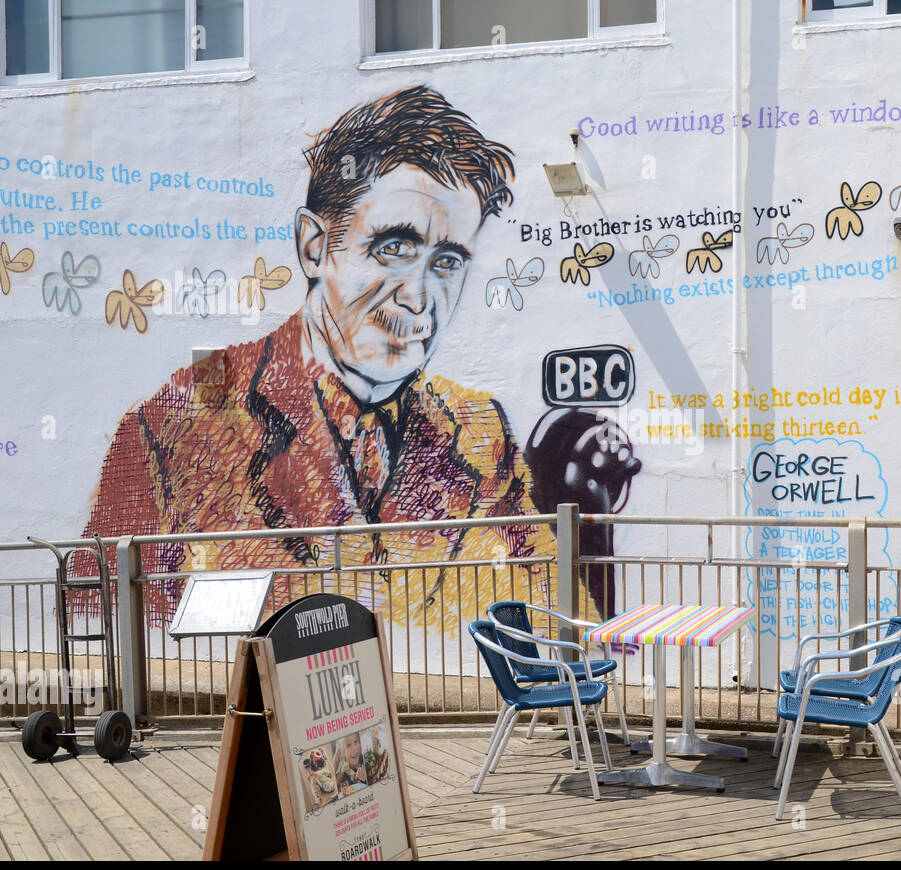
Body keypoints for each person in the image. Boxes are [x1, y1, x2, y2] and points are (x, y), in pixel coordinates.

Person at [82, 86, 603, 628]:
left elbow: (558, 617)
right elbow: (102, 634)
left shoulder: (481, 431)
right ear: (313, 246)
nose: (419, 297)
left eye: (447, 261)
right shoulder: (173, 427)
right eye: (393, 248)